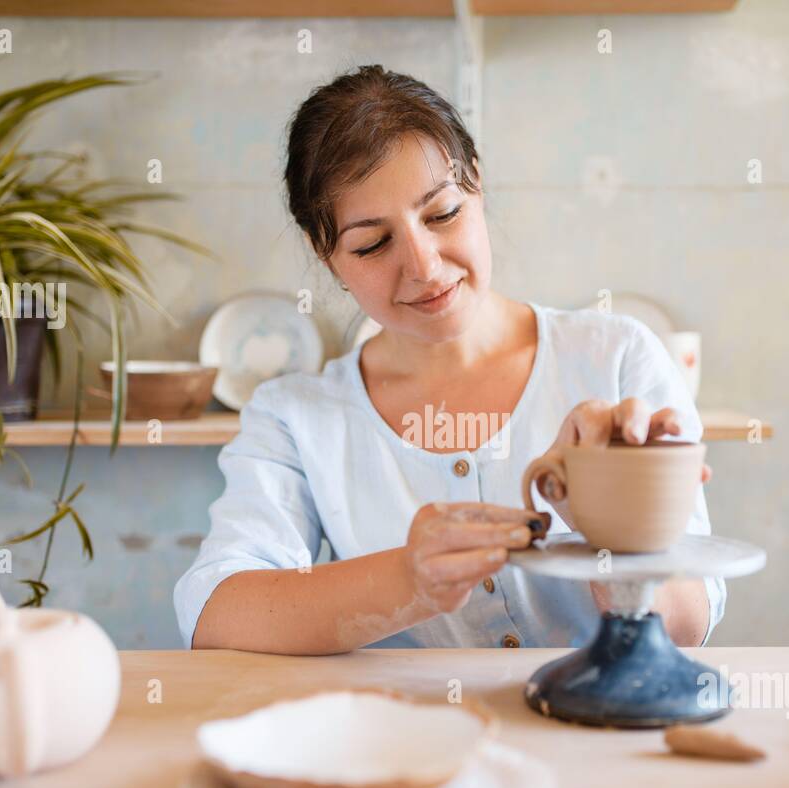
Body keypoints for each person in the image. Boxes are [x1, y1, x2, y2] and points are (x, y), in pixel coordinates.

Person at [174, 65, 724, 653]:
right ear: (326, 253)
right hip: (407, 740)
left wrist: (611, 517)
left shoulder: (617, 356)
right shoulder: (294, 415)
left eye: (442, 214)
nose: (425, 266)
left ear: (477, 184)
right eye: (372, 243)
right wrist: (409, 580)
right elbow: (215, 614)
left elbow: (686, 628)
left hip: (597, 738)